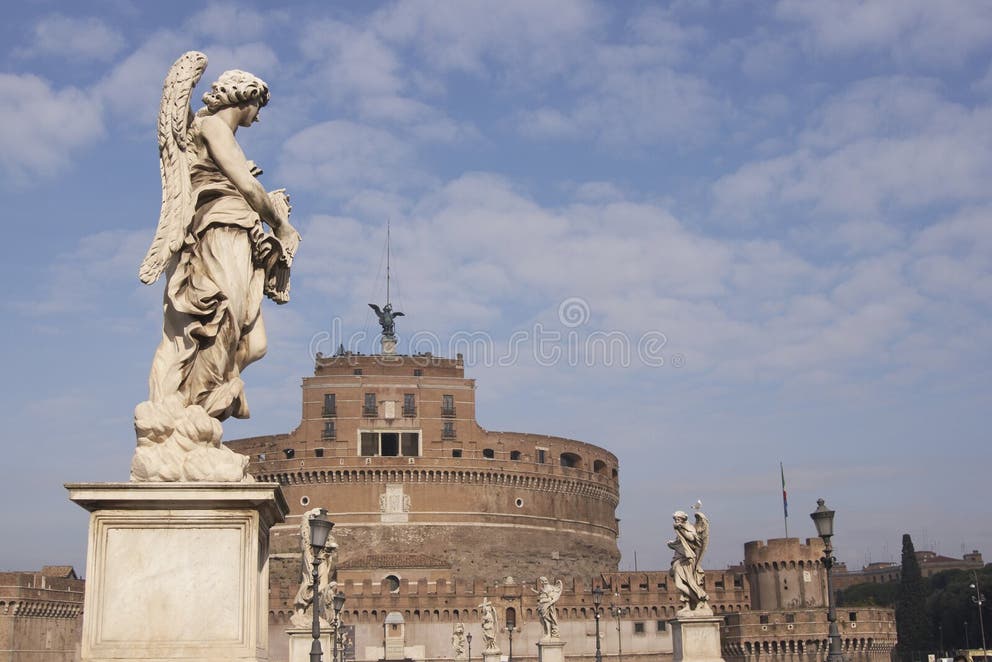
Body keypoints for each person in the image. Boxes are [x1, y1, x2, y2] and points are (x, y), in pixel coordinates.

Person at [132, 52, 301, 481]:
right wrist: (279, 219)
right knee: (219, 319)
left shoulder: (224, 139)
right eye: (257, 107)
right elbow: (242, 185)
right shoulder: (210, 126)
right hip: (219, 232)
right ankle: (185, 414)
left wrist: (258, 202)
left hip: (240, 236)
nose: (257, 118)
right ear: (245, 97)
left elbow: (237, 179)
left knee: (255, 340)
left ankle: (203, 399)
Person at [668, 509, 709, 612]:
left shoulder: (689, 527)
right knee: (683, 583)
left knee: (686, 582)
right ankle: (689, 605)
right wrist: (672, 544)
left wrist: (681, 529)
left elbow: (691, 538)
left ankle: (700, 599)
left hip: (687, 559)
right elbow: (680, 543)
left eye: (678, 519)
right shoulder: (680, 529)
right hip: (679, 557)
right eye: (675, 519)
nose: (676, 521)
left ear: (683, 519)